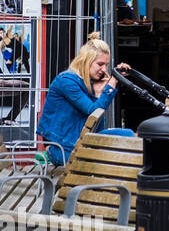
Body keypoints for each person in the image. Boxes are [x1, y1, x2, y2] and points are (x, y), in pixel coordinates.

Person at [37, 34, 135, 165]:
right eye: (100, 64)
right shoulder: (66, 81)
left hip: (79, 143)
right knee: (108, 161)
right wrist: (112, 83)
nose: (104, 69)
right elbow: (93, 111)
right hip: (61, 148)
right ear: (87, 61)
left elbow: (97, 127)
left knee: (129, 135)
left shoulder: (87, 83)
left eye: (106, 65)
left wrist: (98, 92)